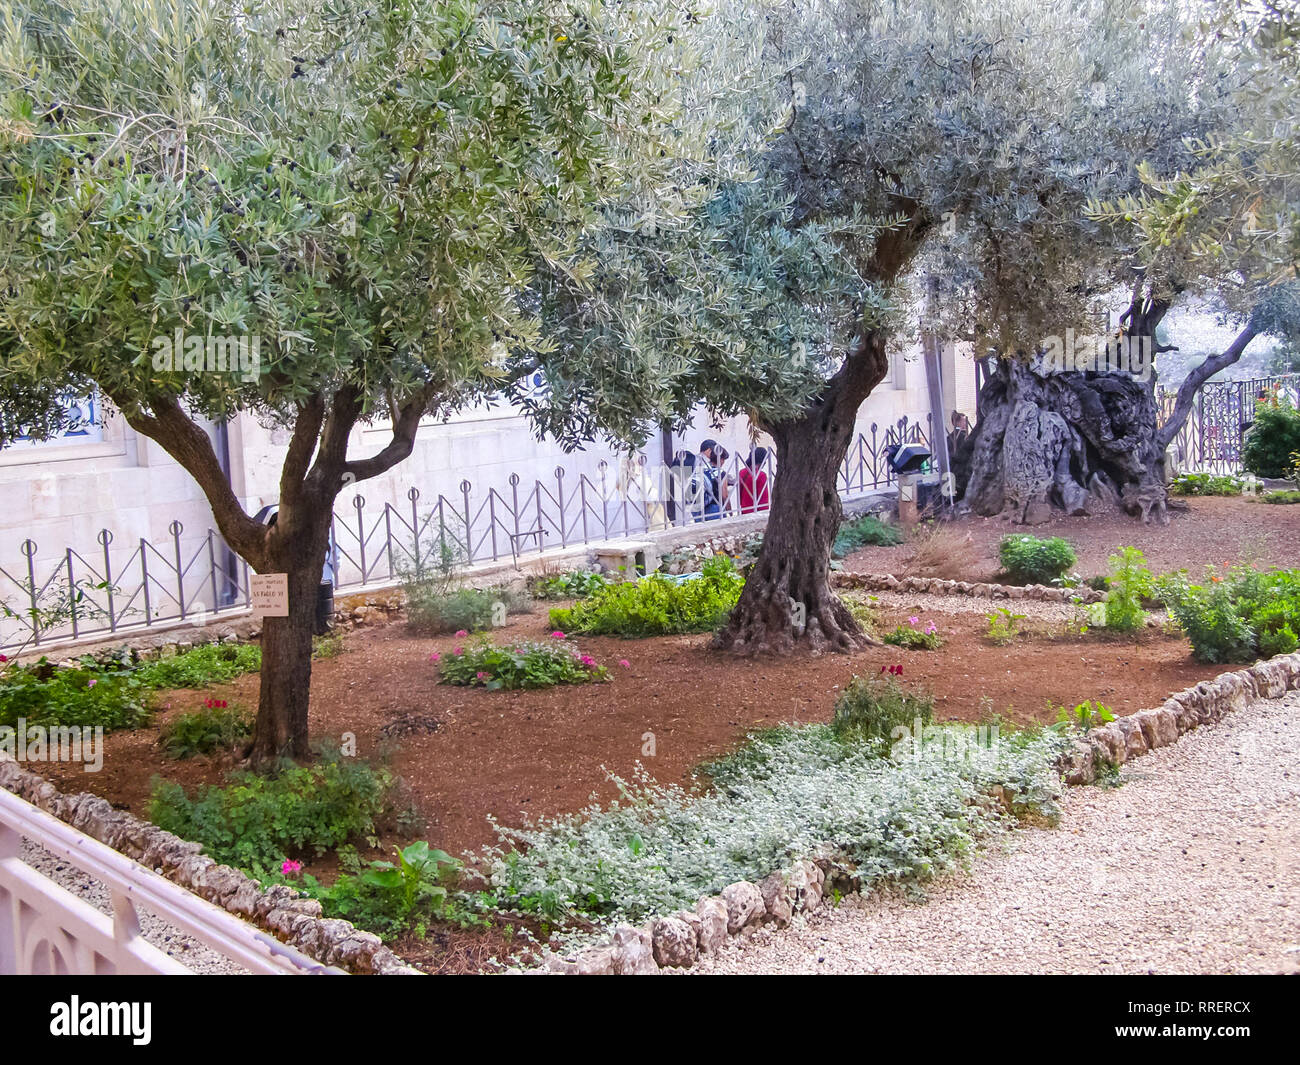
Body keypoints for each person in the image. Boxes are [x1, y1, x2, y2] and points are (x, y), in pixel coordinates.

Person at [738, 447, 771, 513]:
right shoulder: (761, 475)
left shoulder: (742, 472)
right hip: (756, 512)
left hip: (744, 511)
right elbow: (763, 500)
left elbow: (739, 493)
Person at [696, 438, 722, 521]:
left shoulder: (692, 459)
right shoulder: (706, 462)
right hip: (708, 503)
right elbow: (720, 474)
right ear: (709, 450)